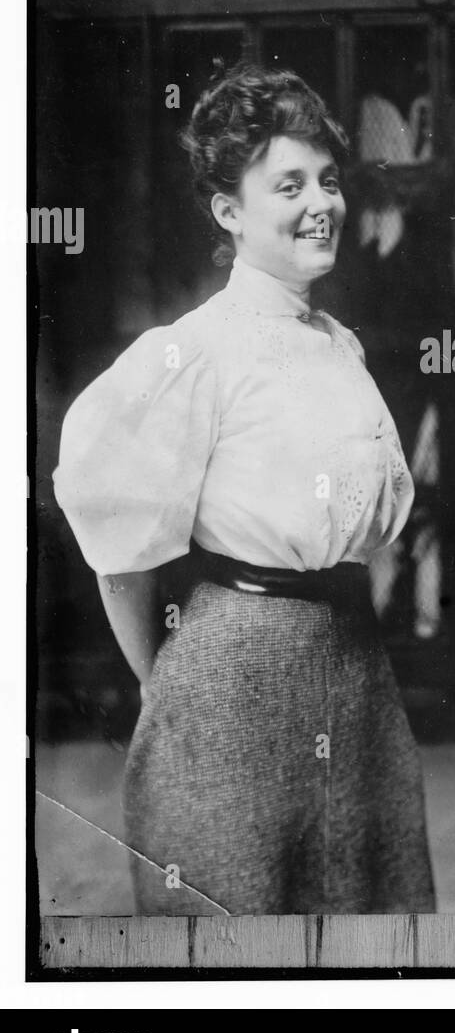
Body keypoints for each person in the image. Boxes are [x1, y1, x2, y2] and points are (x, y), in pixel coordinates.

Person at [53, 62, 435, 916]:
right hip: (232, 683)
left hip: (357, 669)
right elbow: (117, 549)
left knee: (370, 923)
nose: (320, 204)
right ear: (230, 213)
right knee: (241, 932)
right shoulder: (193, 352)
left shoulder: (341, 346)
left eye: (329, 181)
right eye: (288, 185)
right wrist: (173, 685)